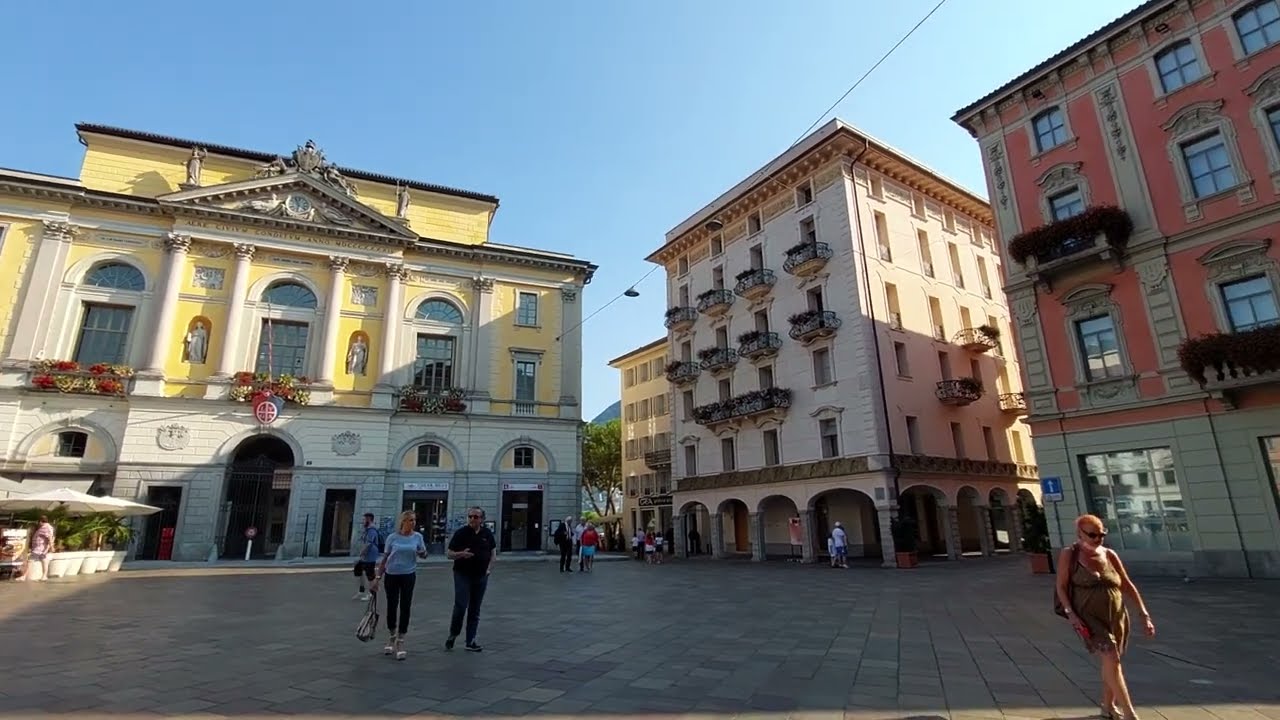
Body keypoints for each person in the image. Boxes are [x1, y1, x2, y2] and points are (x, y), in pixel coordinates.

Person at [1056, 514, 1156, 720]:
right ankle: (1129, 714)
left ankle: (1107, 706)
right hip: (1088, 617)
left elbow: (1127, 584)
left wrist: (1143, 614)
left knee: (1112, 662)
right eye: (1092, 535)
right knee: (1111, 658)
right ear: (1080, 534)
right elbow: (1061, 587)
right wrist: (1071, 614)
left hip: (1116, 615)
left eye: (1101, 534)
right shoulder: (1070, 554)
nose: (1097, 538)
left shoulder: (1109, 554)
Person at [371, 511, 427, 660]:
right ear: (403, 522)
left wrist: (422, 553)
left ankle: (401, 640)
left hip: (409, 575)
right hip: (391, 575)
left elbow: (424, 554)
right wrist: (377, 578)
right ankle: (391, 636)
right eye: (409, 520)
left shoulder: (418, 537)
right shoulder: (392, 538)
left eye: (414, 520)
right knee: (392, 606)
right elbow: (385, 558)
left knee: (405, 606)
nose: (413, 523)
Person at [446, 507, 496, 652]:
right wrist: (461, 554)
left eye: (476, 517)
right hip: (462, 574)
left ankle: (470, 640)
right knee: (461, 606)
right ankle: (453, 634)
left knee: (475, 609)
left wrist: (488, 569)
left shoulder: (487, 533)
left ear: (482, 519)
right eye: (470, 516)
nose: (472, 519)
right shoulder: (461, 533)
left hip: (481, 576)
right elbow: (449, 554)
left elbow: (493, 553)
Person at [352, 513, 382, 600]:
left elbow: (369, 543)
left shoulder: (372, 530)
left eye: (364, 519)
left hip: (370, 555)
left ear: (369, 519)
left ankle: (371, 593)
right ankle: (361, 591)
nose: (363, 521)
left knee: (370, 575)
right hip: (365, 556)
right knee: (359, 570)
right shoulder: (367, 529)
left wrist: (362, 552)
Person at [20, 516, 54, 582]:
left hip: (40, 548)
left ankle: (24, 576)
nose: (38, 523)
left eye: (39, 522)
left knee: (30, 561)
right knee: (44, 561)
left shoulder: (45, 528)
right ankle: (44, 576)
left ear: (41, 521)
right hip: (41, 548)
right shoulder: (46, 527)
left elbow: (49, 538)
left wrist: (52, 547)